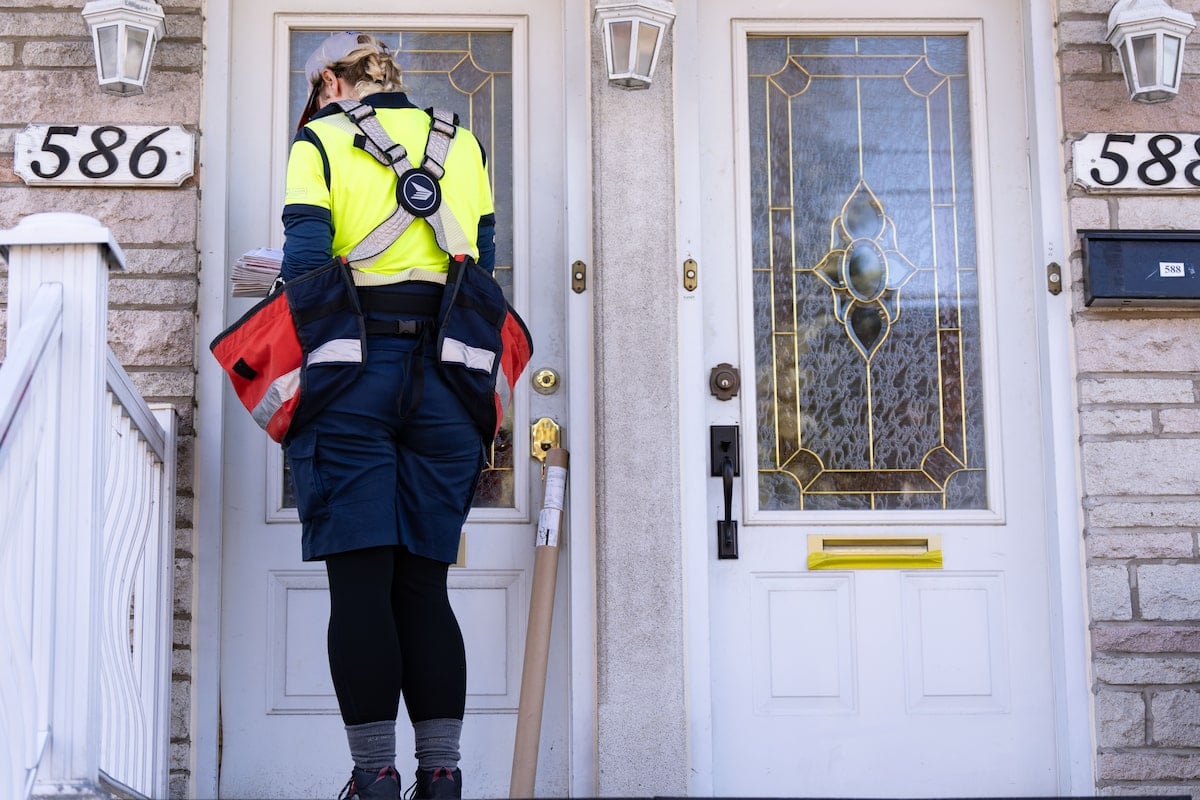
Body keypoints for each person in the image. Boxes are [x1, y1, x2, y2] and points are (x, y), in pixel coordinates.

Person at [280, 32, 497, 800]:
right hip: (447, 376)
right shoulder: (462, 141)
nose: (314, 104)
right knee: (425, 588)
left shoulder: (321, 140)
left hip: (352, 373)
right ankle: (442, 777)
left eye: (316, 91)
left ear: (334, 83)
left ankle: (374, 778)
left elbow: (305, 261)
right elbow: (484, 266)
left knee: (362, 585)